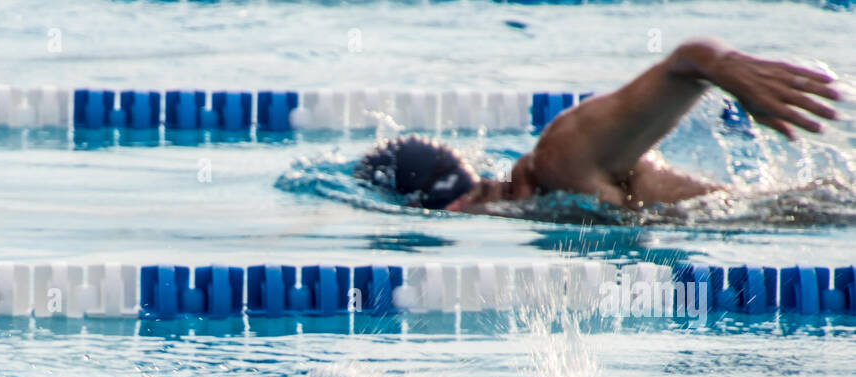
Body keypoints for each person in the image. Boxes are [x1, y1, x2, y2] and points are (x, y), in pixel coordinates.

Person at [354, 37, 842, 213]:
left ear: (449, 207)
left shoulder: (560, 158)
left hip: (818, 211)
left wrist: (728, 65)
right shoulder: (543, 190)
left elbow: (684, 62)